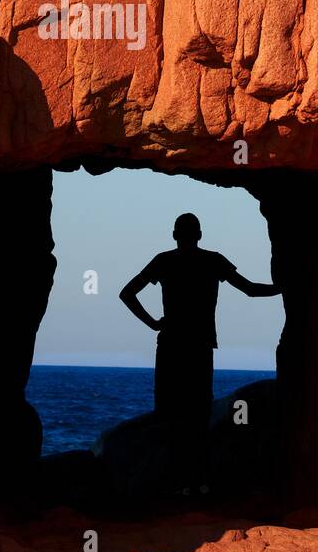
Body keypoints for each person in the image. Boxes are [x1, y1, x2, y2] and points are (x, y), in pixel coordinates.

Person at [119, 212, 279, 494]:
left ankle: (169, 481)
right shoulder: (213, 261)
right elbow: (251, 290)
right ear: (200, 235)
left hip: (170, 345)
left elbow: (127, 293)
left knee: (169, 412)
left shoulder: (164, 261)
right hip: (200, 346)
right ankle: (199, 482)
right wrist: (287, 288)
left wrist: (153, 322)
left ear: (174, 235)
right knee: (198, 413)